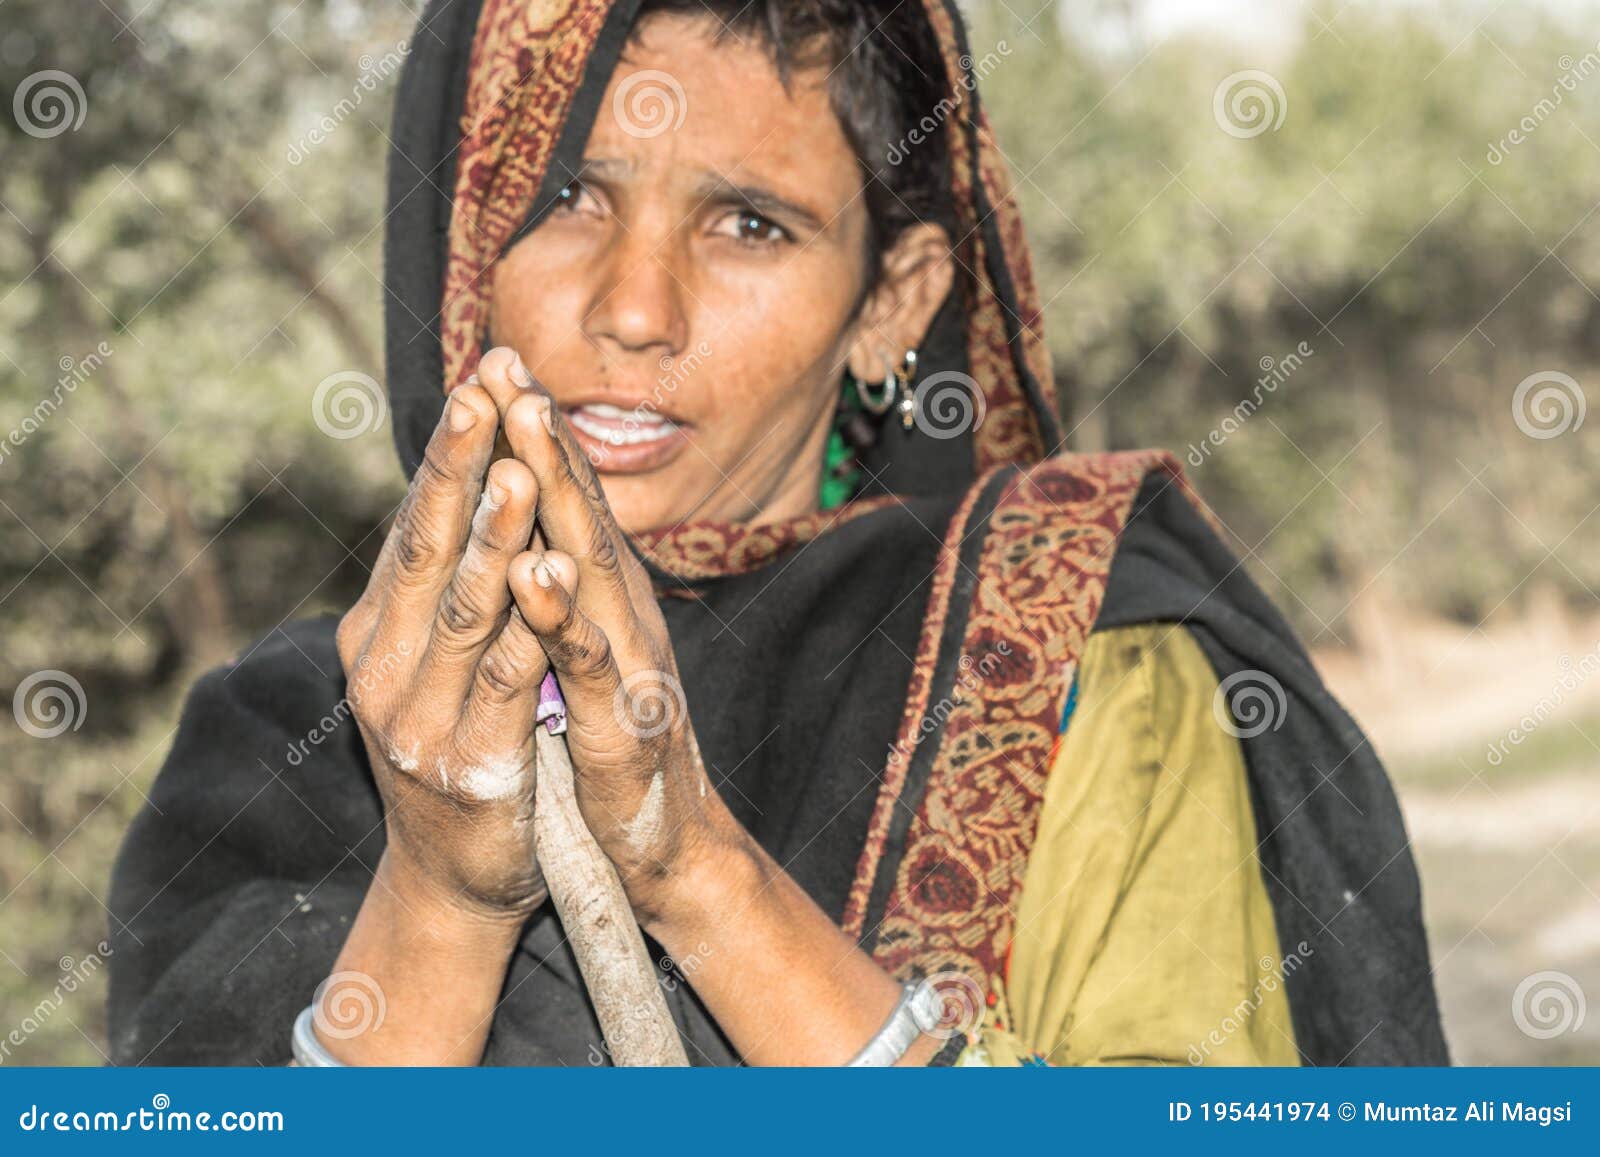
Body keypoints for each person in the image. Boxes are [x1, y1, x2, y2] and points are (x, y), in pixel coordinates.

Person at [107, 0, 1448, 1067]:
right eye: (567, 194)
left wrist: (698, 868)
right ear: (468, 247)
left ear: (891, 302)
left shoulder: (1074, 657)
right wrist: (441, 899)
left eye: (750, 222)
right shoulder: (287, 744)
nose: (637, 308)